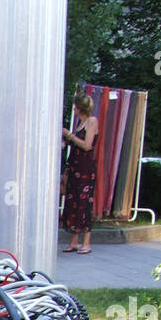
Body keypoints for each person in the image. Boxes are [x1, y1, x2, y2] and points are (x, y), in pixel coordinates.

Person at [60, 93, 99, 254]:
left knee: (84, 203)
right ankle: (74, 241)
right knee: (73, 200)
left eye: (76, 106)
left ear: (80, 107)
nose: (74, 109)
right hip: (75, 167)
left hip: (85, 168)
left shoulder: (91, 121)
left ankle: (86, 243)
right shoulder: (80, 122)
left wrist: (70, 136)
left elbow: (87, 145)